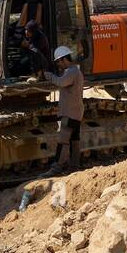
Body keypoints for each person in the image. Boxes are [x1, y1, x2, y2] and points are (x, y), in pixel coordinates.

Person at [51, 44, 84, 172]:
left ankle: (57, 166)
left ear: (64, 59)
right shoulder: (74, 71)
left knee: (63, 139)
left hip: (69, 112)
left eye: (58, 62)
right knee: (74, 139)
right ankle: (75, 166)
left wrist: (49, 76)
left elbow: (60, 82)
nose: (58, 65)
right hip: (76, 112)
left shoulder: (72, 72)